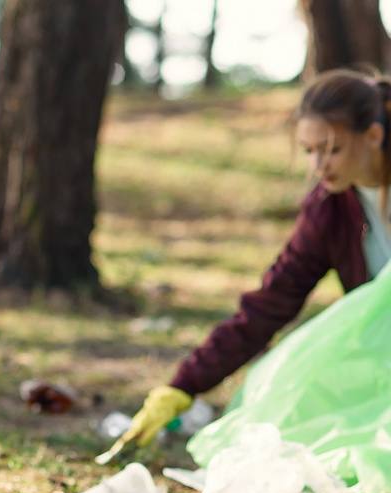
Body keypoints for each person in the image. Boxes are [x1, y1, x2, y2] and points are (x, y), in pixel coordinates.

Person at [109, 68, 391, 455]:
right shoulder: (328, 211)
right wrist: (182, 386)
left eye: (332, 149)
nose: (318, 165)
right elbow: (269, 304)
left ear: (373, 136)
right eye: (309, 151)